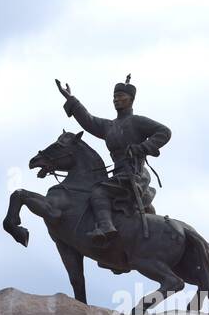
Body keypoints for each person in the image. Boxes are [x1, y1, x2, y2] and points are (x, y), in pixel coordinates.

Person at [55, 74, 171, 242]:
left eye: (120, 97)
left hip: (135, 174)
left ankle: (106, 227)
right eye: (114, 97)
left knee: (98, 191)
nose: (116, 100)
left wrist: (143, 147)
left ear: (130, 100)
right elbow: (88, 120)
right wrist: (70, 98)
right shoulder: (109, 126)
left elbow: (164, 131)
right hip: (118, 175)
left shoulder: (137, 121)